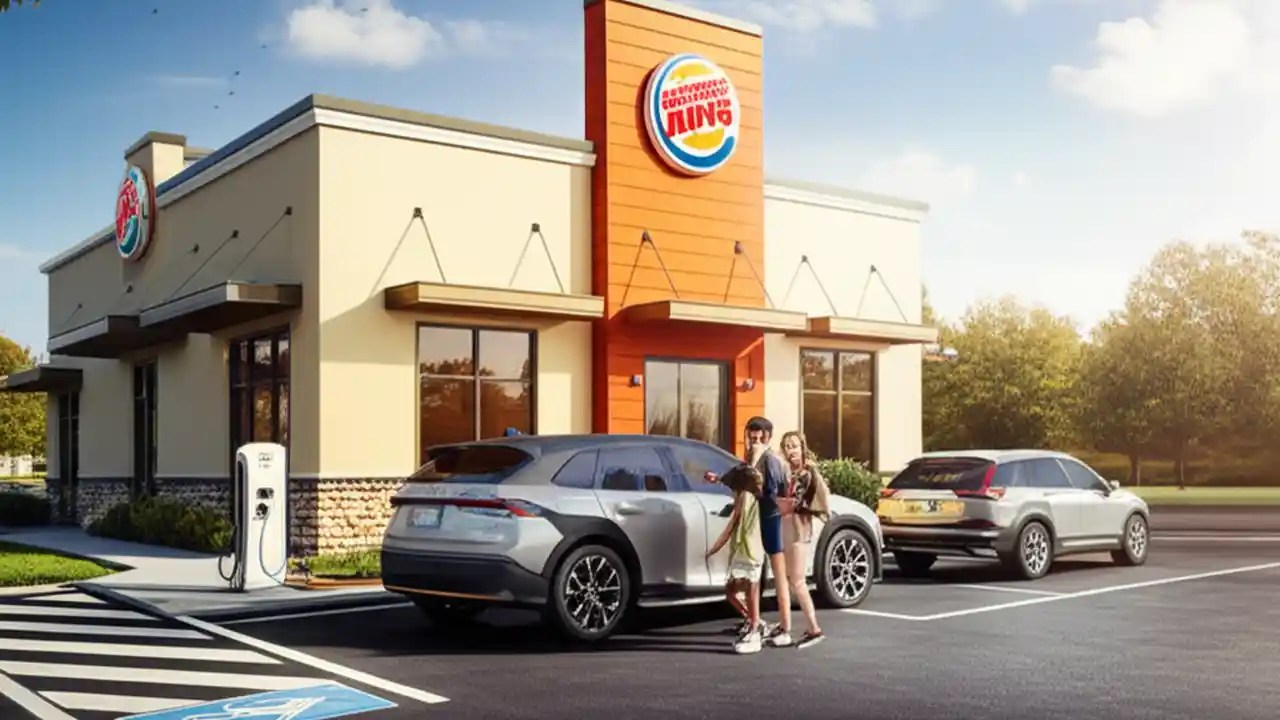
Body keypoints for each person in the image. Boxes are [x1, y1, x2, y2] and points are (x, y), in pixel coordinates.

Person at [705, 416, 794, 648]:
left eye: (758, 437)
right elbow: (738, 478)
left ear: (766, 437)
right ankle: (756, 623)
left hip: (760, 527)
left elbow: (775, 493)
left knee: (755, 578)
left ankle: (761, 628)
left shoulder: (769, 461)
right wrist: (720, 480)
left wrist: (761, 495)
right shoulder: (751, 461)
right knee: (737, 585)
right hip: (748, 527)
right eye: (751, 436)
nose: (753, 441)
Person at [705, 458, 767, 654]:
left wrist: (714, 549)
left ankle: (755, 626)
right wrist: (717, 479)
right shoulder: (752, 494)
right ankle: (753, 621)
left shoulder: (744, 498)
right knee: (737, 590)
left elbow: (732, 525)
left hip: (748, 549)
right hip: (749, 548)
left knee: (746, 589)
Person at [779, 430, 832, 649]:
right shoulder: (792, 472)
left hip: (798, 527)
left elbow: (796, 502)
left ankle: (814, 629)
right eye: (787, 446)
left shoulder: (806, 473)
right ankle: (808, 627)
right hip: (790, 526)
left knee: (798, 580)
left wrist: (775, 503)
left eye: (794, 445)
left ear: (802, 446)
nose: (790, 450)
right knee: (793, 579)